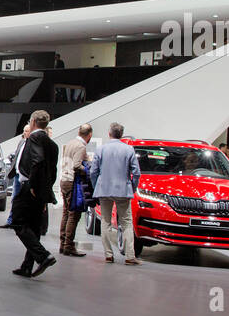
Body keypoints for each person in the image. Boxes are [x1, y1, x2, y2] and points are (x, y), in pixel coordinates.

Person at [9, 110, 59, 278]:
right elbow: (53, 171)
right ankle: (27, 266)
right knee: (34, 226)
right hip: (41, 190)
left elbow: (37, 161)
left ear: (33, 122)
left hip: (28, 188)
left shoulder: (35, 138)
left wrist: (32, 184)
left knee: (17, 222)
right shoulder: (53, 145)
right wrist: (45, 189)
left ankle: (43, 256)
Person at [90, 122, 142, 265]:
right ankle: (130, 256)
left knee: (105, 221)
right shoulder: (129, 149)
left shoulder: (101, 149)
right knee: (126, 222)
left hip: (104, 189)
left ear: (109, 133)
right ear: (121, 134)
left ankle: (108, 255)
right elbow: (136, 172)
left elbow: (93, 171)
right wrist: (132, 187)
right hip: (123, 190)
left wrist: (97, 187)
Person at [59, 123, 93, 257]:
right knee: (74, 215)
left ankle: (63, 244)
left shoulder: (70, 143)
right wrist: (89, 171)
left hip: (64, 180)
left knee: (66, 214)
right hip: (72, 183)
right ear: (89, 135)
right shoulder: (80, 146)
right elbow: (77, 165)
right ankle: (68, 246)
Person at [0, 122, 33, 228]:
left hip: (26, 177)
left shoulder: (32, 145)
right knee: (14, 198)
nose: (24, 133)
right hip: (17, 175)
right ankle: (11, 221)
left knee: (25, 201)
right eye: (24, 131)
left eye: (27, 131)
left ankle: (22, 222)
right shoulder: (21, 142)